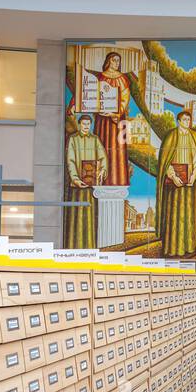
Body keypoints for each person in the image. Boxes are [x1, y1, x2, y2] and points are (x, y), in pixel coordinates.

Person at [156, 110, 196, 257]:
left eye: (188, 120)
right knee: (174, 216)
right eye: (184, 120)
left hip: (190, 184)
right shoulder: (171, 136)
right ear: (178, 121)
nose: (187, 123)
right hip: (174, 185)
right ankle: (172, 249)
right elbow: (166, 161)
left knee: (190, 215)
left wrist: (195, 175)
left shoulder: (194, 136)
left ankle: (190, 247)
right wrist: (173, 176)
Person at [63, 115, 107, 248]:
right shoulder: (73, 139)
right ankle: (74, 247)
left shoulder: (95, 140)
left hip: (91, 187)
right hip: (76, 187)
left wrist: (102, 171)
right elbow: (70, 160)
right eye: (84, 124)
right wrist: (75, 179)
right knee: (76, 217)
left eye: (88, 124)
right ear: (79, 124)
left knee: (90, 218)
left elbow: (103, 157)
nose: (86, 126)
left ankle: (90, 246)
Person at [93, 52, 131, 186]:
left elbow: (125, 99)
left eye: (118, 61)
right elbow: (93, 95)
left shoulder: (123, 79)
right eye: (114, 60)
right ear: (108, 61)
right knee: (101, 145)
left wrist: (115, 113)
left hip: (117, 121)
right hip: (102, 120)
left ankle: (117, 180)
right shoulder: (100, 78)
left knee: (117, 150)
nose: (117, 63)